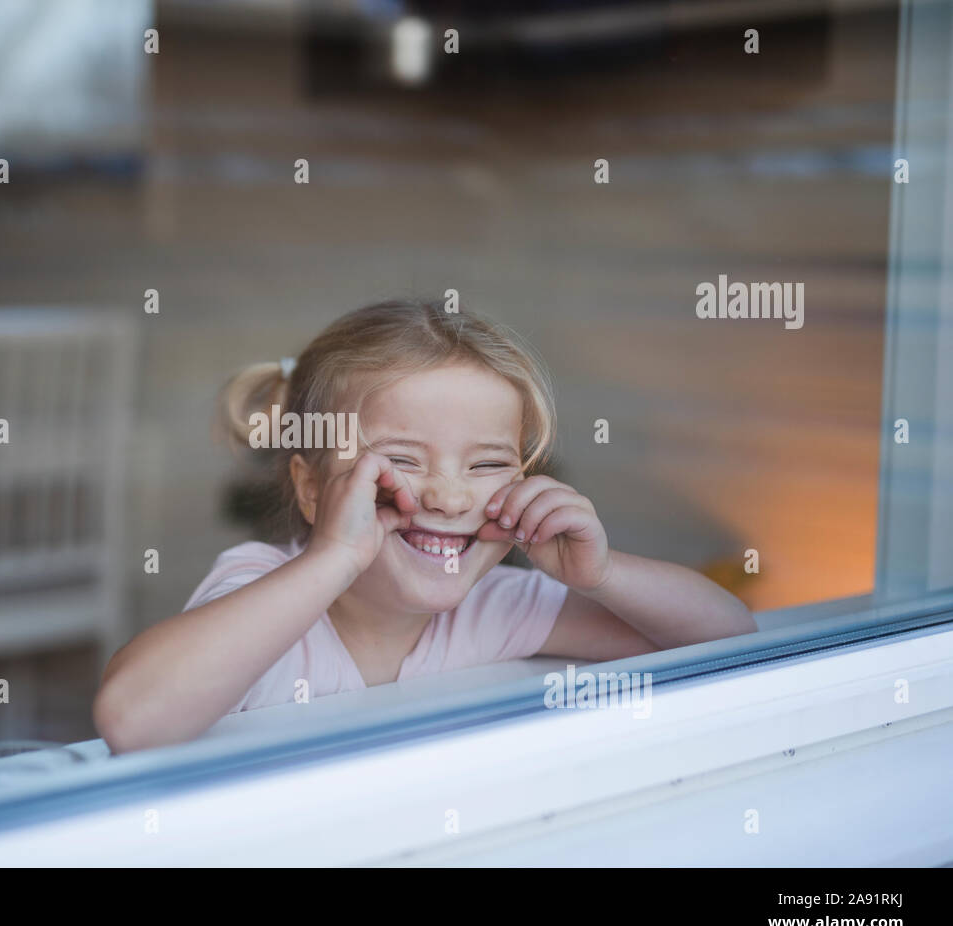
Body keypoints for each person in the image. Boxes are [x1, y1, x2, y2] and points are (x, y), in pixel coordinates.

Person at [94, 298, 756, 753]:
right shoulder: (264, 587)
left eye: (489, 462)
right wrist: (335, 556)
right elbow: (131, 717)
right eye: (402, 461)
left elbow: (731, 638)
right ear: (312, 487)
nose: (446, 494)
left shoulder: (495, 607)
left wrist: (605, 575)